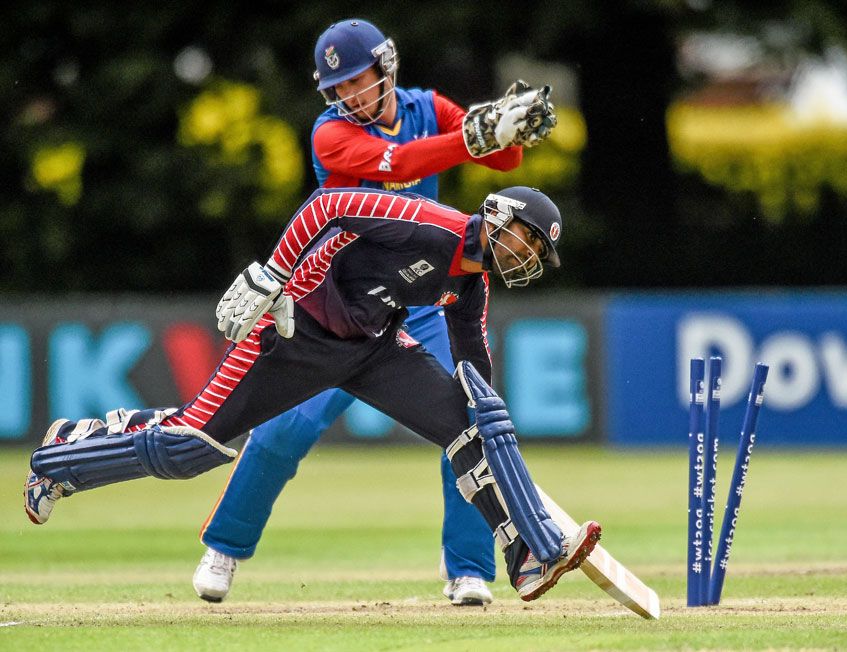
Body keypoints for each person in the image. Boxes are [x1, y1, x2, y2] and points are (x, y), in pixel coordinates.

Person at [25, 184, 602, 603]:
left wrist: (487, 414)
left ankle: (523, 554)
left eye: (536, 253)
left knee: (467, 425)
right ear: (499, 214)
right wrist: (274, 274)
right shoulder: (430, 223)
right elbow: (328, 207)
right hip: (294, 328)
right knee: (190, 447)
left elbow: (472, 355)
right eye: (527, 239)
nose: (527, 255)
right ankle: (69, 451)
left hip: (373, 346)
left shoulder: (469, 283)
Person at [187, 18, 556, 606]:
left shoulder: (427, 106)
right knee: (286, 429)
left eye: (359, 81)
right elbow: (403, 165)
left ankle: (467, 568)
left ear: (387, 67)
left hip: (421, 301)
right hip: (338, 308)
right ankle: (226, 549)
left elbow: (505, 166)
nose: (351, 96)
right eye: (339, 88)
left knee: (465, 419)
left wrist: (503, 131)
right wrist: (475, 137)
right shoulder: (329, 135)